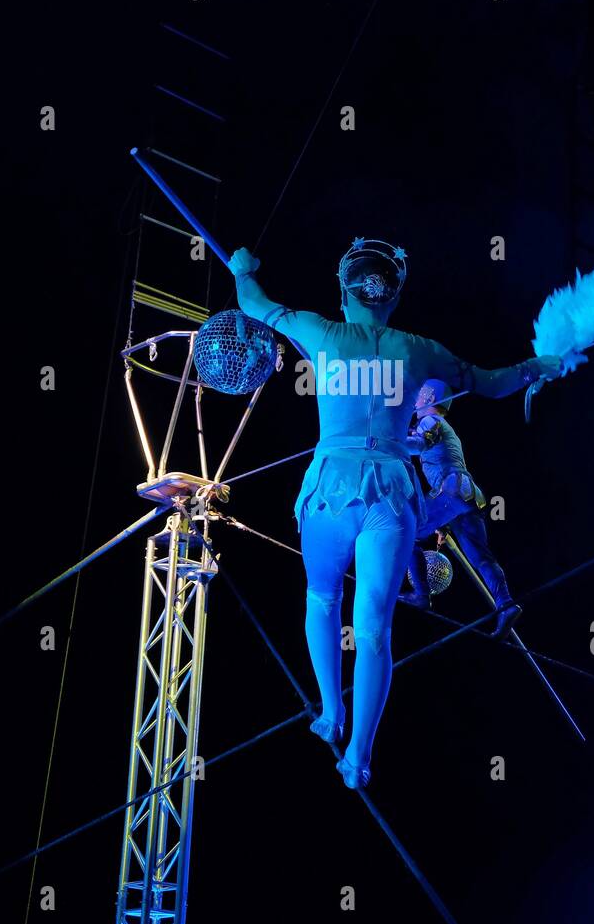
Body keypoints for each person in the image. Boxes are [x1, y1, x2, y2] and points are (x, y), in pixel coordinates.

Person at [228, 238, 562, 790]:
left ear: (343, 289)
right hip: (390, 495)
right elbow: (494, 382)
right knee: (375, 629)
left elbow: (255, 304)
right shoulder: (420, 350)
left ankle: (332, 713)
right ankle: (359, 757)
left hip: (331, 487)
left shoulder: (322, 332)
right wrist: (539, 366)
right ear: (395, 293)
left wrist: (243, 268)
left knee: (321, 598)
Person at [403, 380, 521, 637]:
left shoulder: (430, 421)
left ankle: (422, 595)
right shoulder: (448, 428)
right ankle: (506, 604)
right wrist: (442, 523)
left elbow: (419, 444)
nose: (416, 399)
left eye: (420, 394)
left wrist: (389, 443)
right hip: (467, 495)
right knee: (481, 557)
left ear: (430, 397)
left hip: (452, 490)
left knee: (407, 532)